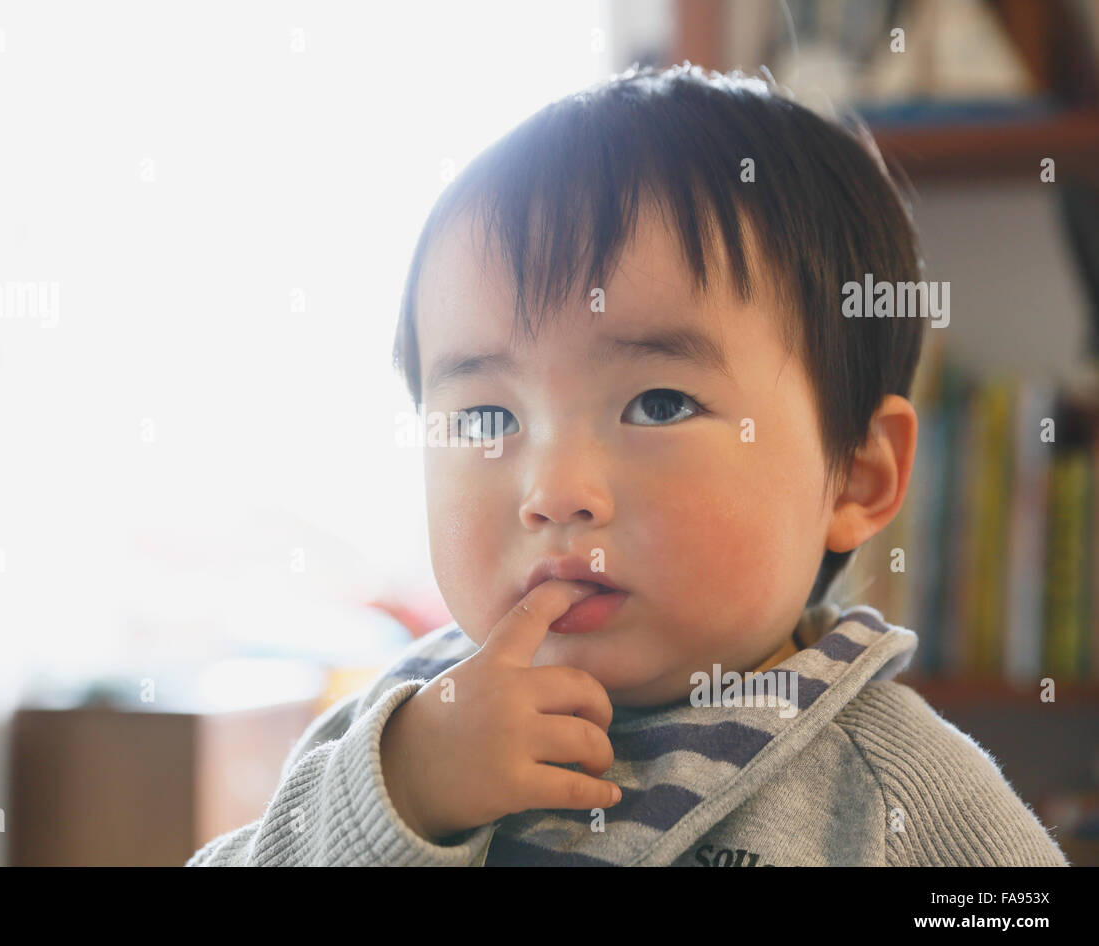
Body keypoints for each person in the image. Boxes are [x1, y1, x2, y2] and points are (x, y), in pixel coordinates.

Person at [188, 64, 1067, 866]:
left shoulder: (894, 792)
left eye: (659, 404)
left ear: (858, 476)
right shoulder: (404, 733)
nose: (555, 493)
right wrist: (400, 800)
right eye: (488, 415)